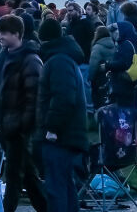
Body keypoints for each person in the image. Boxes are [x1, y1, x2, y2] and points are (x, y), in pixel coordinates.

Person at [35, 18, 89, 212]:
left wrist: (51, 128)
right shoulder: (65, 58)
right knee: (66, 187)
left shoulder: (58, 61)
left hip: (59, 136)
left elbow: (64, 97)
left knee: (57, 188)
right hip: (68, 135)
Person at [0, 14, 45, 212]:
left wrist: (23, 125)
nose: (0, 36)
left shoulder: (31, 60)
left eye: (4, 33)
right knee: (27, 174)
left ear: (16, 34)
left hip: (18, 127)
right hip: (6, 124)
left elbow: (35, 97)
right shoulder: (3, 56)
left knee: (14, 175)